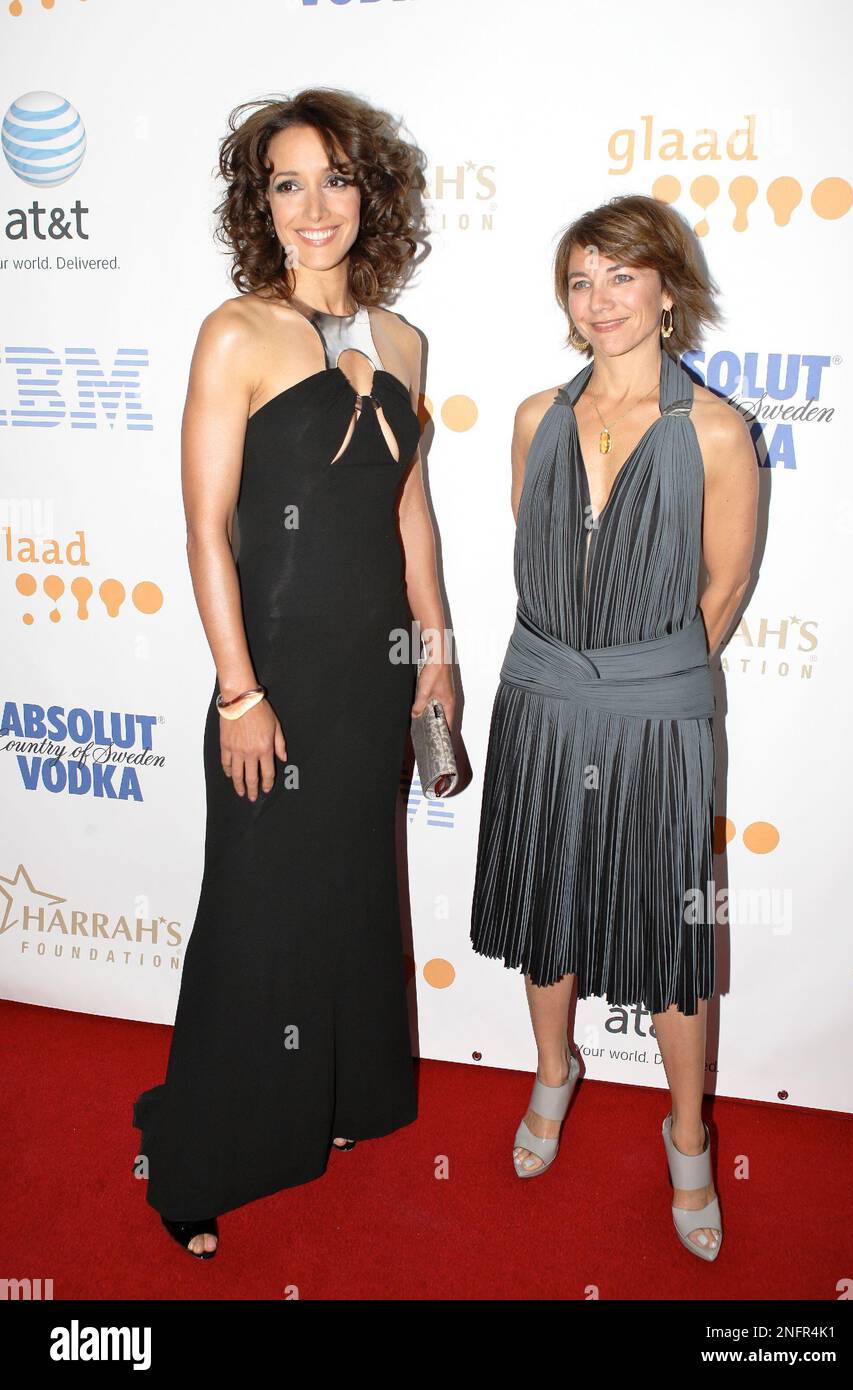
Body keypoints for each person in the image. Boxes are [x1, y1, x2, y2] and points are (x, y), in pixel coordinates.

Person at [132, 88, 454, 1257]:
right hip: (271, 675)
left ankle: (346, 1101)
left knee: (359, 894)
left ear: (370, 193)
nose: (312, 206)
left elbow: (411, 519)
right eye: (285, 182)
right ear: (257, 203)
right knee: (258, 911)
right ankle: (200, 1158)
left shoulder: (406, 341)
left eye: (333, 179)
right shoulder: (237, 332)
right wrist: (238, 691)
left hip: (373, 677)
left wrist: (433, 661)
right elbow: (205, 530)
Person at [470, 194, 758, 1261]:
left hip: (655, 710)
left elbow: (721, 590)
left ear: (667, 288)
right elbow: (540, 554)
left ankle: (687, 1132)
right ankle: (555, 1074)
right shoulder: (533, 418)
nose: (599, 300)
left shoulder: (714, 430)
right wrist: (576, 673)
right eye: (580, 281)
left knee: (668, 936)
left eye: (620, 277)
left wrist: (645, 681)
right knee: (548, 903)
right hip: (540, 693)